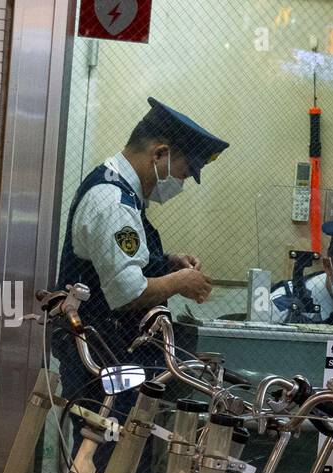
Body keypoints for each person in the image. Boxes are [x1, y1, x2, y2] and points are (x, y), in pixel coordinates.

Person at [53, 97, 229, 415]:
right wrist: (179, 281)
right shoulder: (114, 202)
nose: (181, 185)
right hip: (105, 360)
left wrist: (166, 262)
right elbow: (128, 292)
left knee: (112, 455)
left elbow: (114, 261)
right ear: (159, 154)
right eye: (183, 175)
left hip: (111, 353)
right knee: (108, 455)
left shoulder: (118, 188)